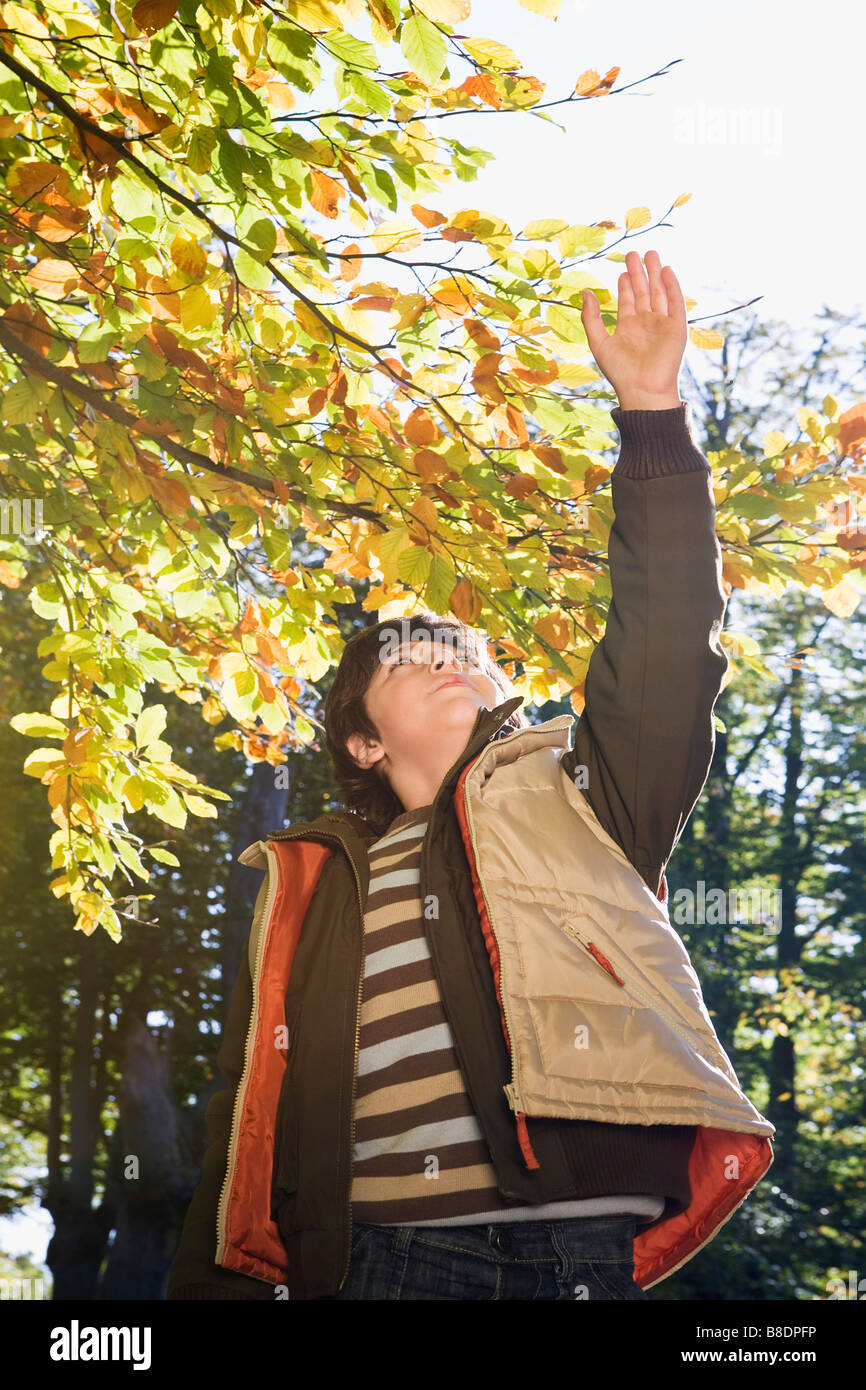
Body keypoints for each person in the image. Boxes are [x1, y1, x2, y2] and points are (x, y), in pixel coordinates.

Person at [166, 251, 774, 1301]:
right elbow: (251, 1113)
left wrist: (648, 409)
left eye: (467, 650)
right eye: (408, 654)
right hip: (372, 1260)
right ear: (362, 742)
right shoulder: (305, 883)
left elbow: (667, 641)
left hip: (577, 1251)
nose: (447, 656)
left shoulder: (586, 791)